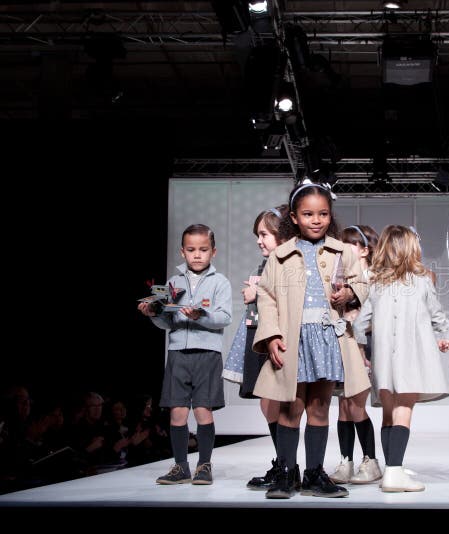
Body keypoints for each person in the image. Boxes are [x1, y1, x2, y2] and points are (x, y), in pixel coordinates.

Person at [252, 182, 369, 499]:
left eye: (323, 214)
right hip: (293, 340)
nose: (316, 220)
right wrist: (271, 335)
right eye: (308, 214)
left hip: (327, 337)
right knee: (291, 407)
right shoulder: (280, 255)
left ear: (330, 215)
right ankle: (286, 473)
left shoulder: (343, 251)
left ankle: (314, 473)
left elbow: (361, 284)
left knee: (320, 406)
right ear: (294, 217)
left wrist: (349, 293)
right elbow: (266, 297)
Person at [353, 225, 449, 492]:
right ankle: (395, 474)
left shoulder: (376, 284)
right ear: (412, 249)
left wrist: (361, 353)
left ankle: (391, 469)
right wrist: (445, 335)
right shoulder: (422, 281)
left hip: (384, 361)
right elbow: (437, 315)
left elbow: (360, 325)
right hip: (412, 357)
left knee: (388, 415)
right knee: (403, 412)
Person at [137, 223, 232, 485]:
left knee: (202, 410)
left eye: (203, 249)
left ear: (213, 251)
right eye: (191, 250)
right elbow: (168, 322)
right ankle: (180, 466)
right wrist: (154, 314)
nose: (197, 254)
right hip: (178, 352)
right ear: (182, 252)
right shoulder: (174, 282)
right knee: (177, 411)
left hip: (207, 353)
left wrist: (201, 315)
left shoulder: (220, 282)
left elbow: (225, 317)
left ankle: (204, 465)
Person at [222, 207, 288, 490]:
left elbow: (289, 295)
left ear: (281, 234)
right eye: (258, 235)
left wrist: (257, 292)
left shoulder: (289, 263)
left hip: (277, 337)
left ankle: (288, 466)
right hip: (259, 335)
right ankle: (283, 463)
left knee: (278, 403)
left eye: (264, 234)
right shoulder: (265, 265)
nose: (259, 240)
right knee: (266, 402)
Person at [329, 224, 383, 485]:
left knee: (356, 404)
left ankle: (371, 461)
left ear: (364, 250)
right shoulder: (340, 276)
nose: (343, 248)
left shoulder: (374, 277)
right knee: (342, 405)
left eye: (350, 244)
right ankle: (346, 461)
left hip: (365, 344)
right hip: (343, 342)